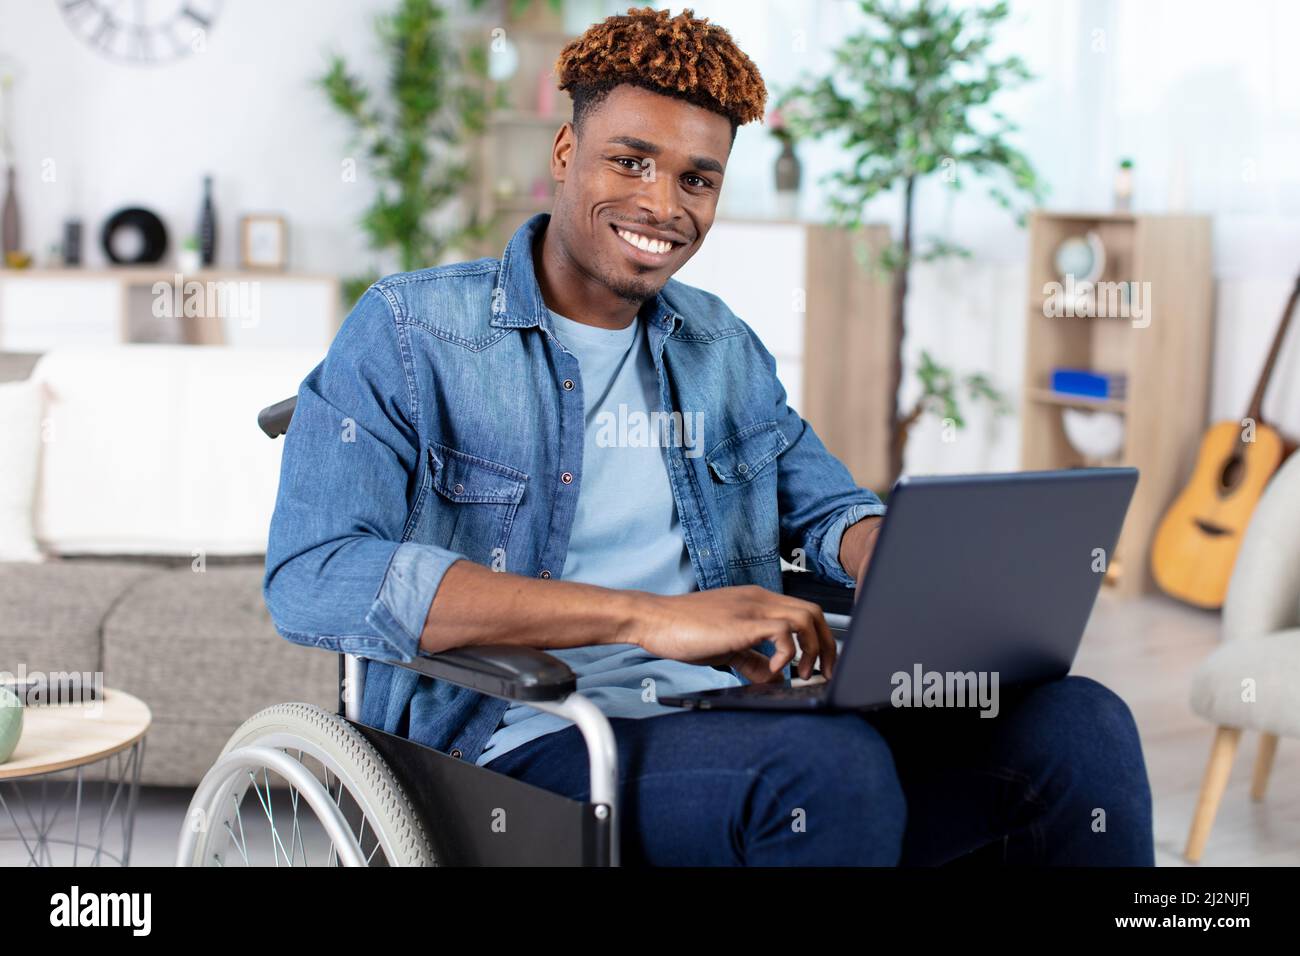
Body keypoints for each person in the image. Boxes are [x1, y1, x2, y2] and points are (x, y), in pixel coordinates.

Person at [264, 6, 1154, 865]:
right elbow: (314, 577)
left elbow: (826, 504)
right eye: (631, 161)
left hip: (728, 716)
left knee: (1079, 726)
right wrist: (648, 619)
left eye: (697, 178)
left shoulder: (718, 344)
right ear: (566, 153)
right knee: (826, 778)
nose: (663, 204)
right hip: (519, 738)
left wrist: (895, 555)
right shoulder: (413, 330)